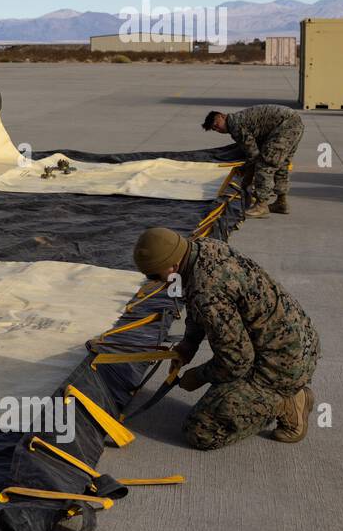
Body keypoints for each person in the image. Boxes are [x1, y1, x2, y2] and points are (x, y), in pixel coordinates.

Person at [132, 227, 320, 450]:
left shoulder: (207, 291)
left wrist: (198, 376)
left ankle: (285, 401)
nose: (157, 281)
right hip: (299, 343)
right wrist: (188, 345)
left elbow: (237, 361)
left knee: (202, 431)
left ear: (173, 266)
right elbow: (195, 306)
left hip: (281, 367)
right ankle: (281, 392)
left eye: (155, 275)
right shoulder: (202, 249)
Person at [203, 105, 303, 217]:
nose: (218, 129)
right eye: (214, 129)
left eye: (216, 125)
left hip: (285, 126)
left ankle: (261, 205)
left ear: (222, 116)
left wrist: (247, 178)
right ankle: (281, 202)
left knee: (265, 164)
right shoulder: (239, 119)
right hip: (294, 124)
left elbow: (253, 155)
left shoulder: (235, 124)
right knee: (281, 164)